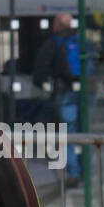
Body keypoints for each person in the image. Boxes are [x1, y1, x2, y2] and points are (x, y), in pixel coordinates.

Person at [32, 13, 81, 178]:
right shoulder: (80, 41)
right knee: (83, 131)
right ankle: (87, 171)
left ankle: (73, 172)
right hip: (85, 93)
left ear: (56, 26)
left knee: (67, 132)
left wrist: (46, 86)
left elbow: (39, 72)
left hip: (64, 94)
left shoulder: (52, 44)